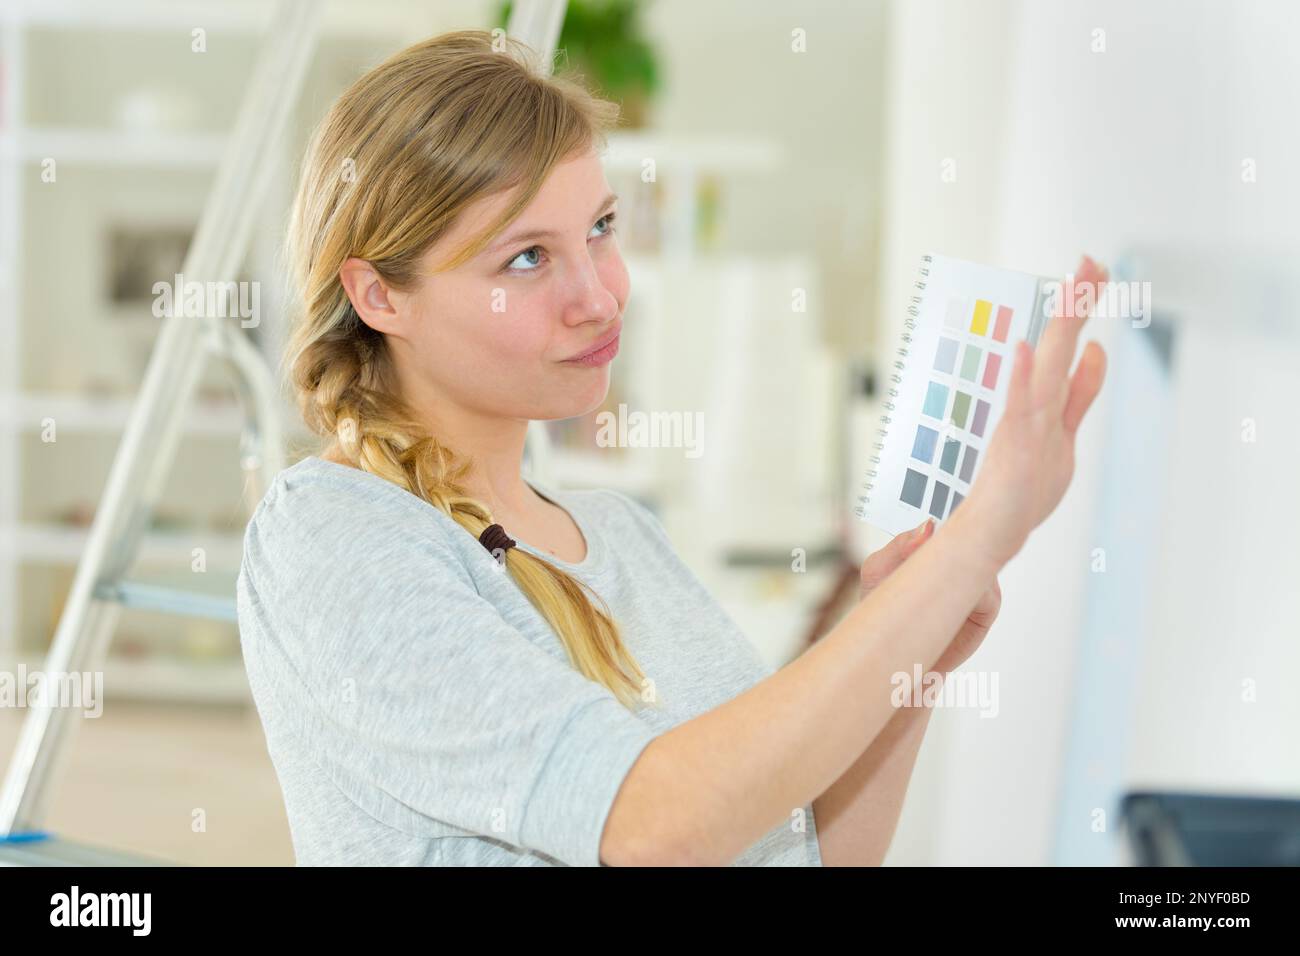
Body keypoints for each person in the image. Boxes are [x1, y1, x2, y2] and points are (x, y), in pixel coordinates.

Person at [235, 29, 1108, 867]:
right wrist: (972, 545)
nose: (601, 296)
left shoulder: (621, 534)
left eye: (602, 230)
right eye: (529, 259)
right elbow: (659, 829)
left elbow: (798, 855)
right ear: (380, 294)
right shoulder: (335, 535)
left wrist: (911, 656)